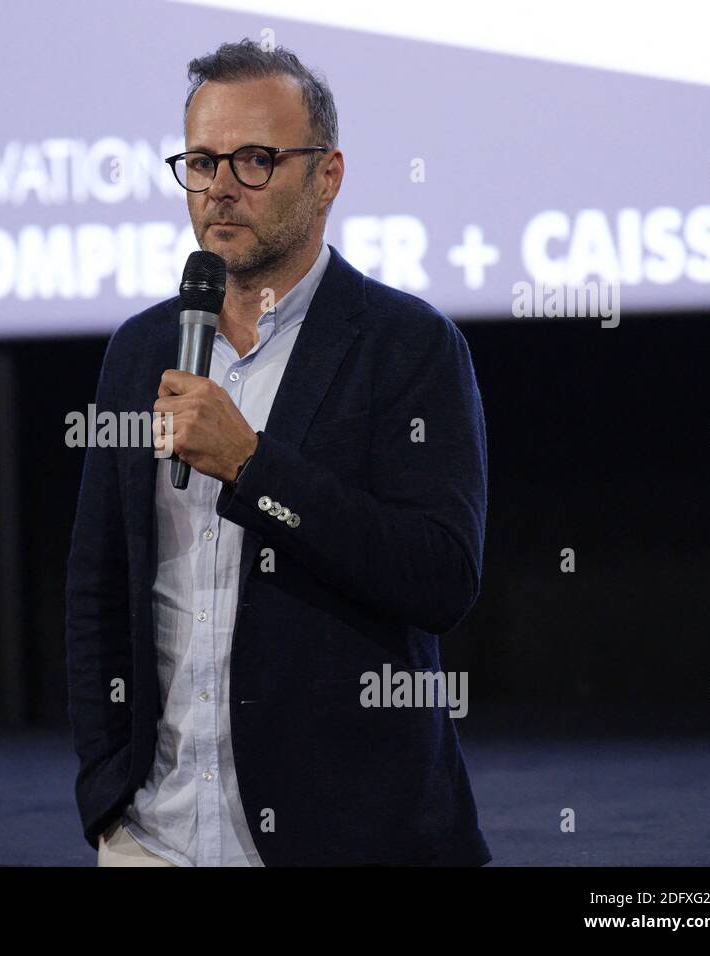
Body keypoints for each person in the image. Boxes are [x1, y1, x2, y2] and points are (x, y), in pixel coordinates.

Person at [65, 38, 491, 866]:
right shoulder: (140, 348)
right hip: (154, 834)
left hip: (349, 840)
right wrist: (105, 792)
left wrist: (254, 467)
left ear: (326, 176)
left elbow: (440, 577)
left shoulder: (407, 347)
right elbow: (96, 582)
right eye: (201, 161)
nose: (220, 187)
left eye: (254, 160)